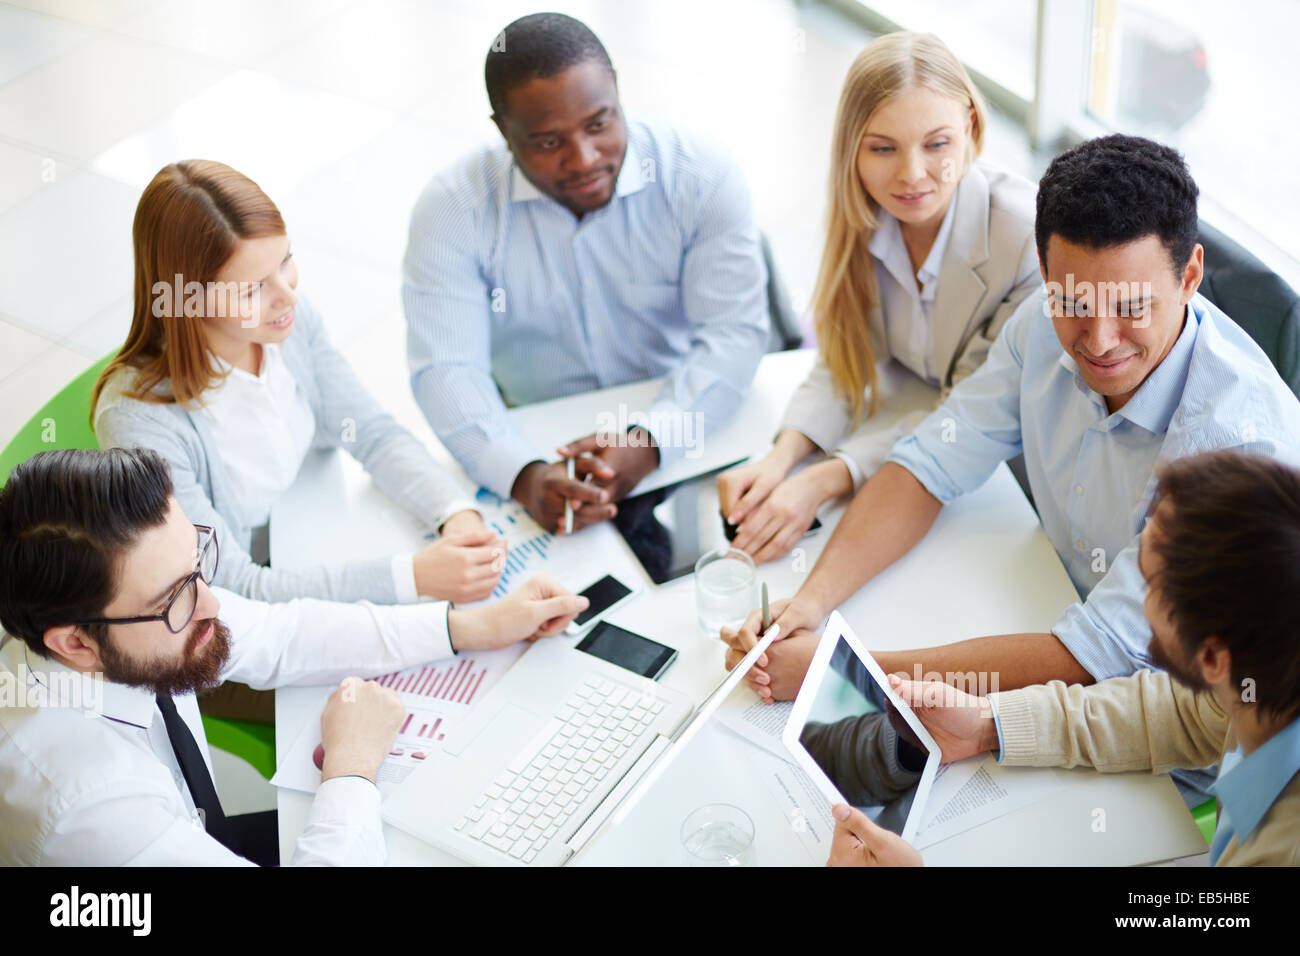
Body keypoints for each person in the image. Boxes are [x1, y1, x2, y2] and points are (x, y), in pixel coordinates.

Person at [722, 134, 1300, 803]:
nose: (1100, 340)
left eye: (1132, 308)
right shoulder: (1038, 322)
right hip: (1045, 667)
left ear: (1191, 276)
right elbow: (931, 460)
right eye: (1073, 304)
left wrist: (846, 673)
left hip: (1183, 774)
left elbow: (1099, 657)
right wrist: (810, 606)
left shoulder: (1241, 451)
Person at [0, 448, 587, 866]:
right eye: (175, 598)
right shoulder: (90, 807)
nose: (212, 602)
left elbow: (285, 633)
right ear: (74, 644)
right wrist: (353, 765)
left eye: (197, 563)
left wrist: (473, 626)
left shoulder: (139, 622)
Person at [827, 451, 1300, 867]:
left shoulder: (1280, 849)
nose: (1134, 599)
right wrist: (988, 723)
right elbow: (1179, 711)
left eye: (1150, 586)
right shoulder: (1256, 677)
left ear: (1213, 657)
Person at [403, 12, 770, 535]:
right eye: (548, 142)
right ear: (503, 132)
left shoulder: (701, 173)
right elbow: (445, 369)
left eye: (600, 124)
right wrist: (523, 474)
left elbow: (734, 332)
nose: (585, 158)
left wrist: (649, 439)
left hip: (681, 405)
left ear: (619, 96)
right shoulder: (452, 208)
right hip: (536, 425)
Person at [93, 160, 503, 608]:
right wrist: (412, 578)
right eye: (252, 289)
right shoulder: (138, 422)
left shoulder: (286, 323)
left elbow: (371, 432)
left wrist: (455, 513)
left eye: (286, 260)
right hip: (249, 608)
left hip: (313, 537)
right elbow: (232, 586)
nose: (287, 295)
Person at [718, 32, 1039, 564]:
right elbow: (844, 360)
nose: (911, 175)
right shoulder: (865, 218)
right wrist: (783, 457)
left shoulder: (1023, 236)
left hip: (1000, 476)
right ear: (853, 150)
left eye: (937, 144)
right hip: (911, 429)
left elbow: (967, 409)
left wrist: (828, 477)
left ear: (970, 129)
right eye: (882, 148)